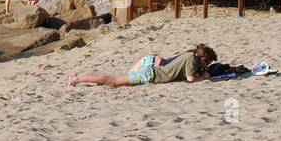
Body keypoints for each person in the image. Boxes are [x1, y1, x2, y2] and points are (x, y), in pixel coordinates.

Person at [68, 45, 218, 88]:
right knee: (112, 81)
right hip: (150, 74)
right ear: (204, 58)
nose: (207, 65)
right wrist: (205, 76)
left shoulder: (189, 56)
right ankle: (77, 78)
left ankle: (80, 78)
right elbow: (191, 79)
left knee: (114, 80)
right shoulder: (192, 59)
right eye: (208, 63)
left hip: (152, 71)